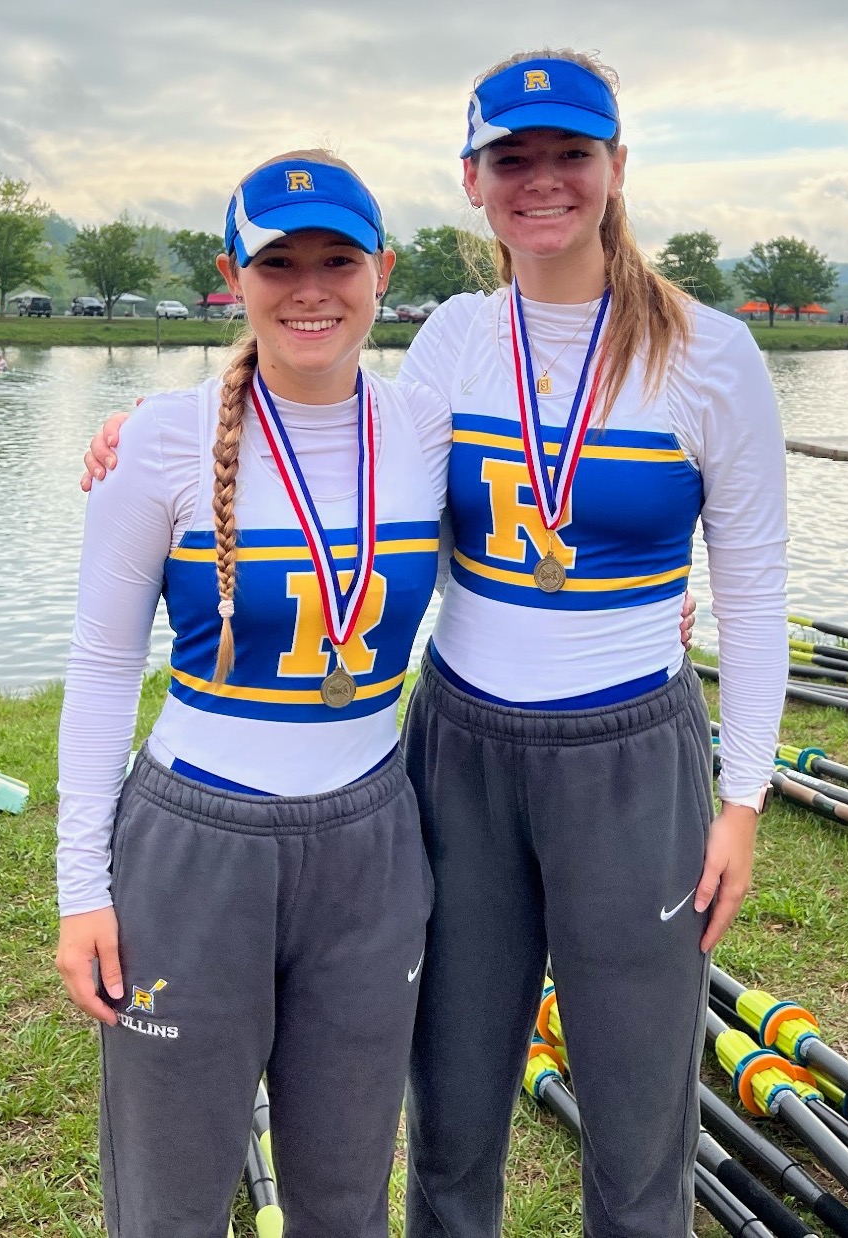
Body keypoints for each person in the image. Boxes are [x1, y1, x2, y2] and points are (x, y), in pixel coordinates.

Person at [83, 50, 782, 1238]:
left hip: (633, 755)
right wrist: (156, 430)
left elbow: (756, 591)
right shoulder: (455, 341)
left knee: (637, 1106)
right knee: (450, 1105)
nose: (544, 181)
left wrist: (744, 795)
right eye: (514, 158)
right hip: (459, 747)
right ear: (473, 178)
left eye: (573, 153)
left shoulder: (712, 354)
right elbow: (328, 402)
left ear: (619, 167)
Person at [56, 152, 450, 1237]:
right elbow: (98, 666)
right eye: (280, 262)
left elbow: (526, 567)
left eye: (339, 259)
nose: (311, 287)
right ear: (233, 275)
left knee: (343, 1194)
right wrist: (79, 886)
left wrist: (664, 619)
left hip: (371, 841)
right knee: (173, 1197)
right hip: (196, 847)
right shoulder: (158, 442)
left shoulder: (427, 428)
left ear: (384, 271)